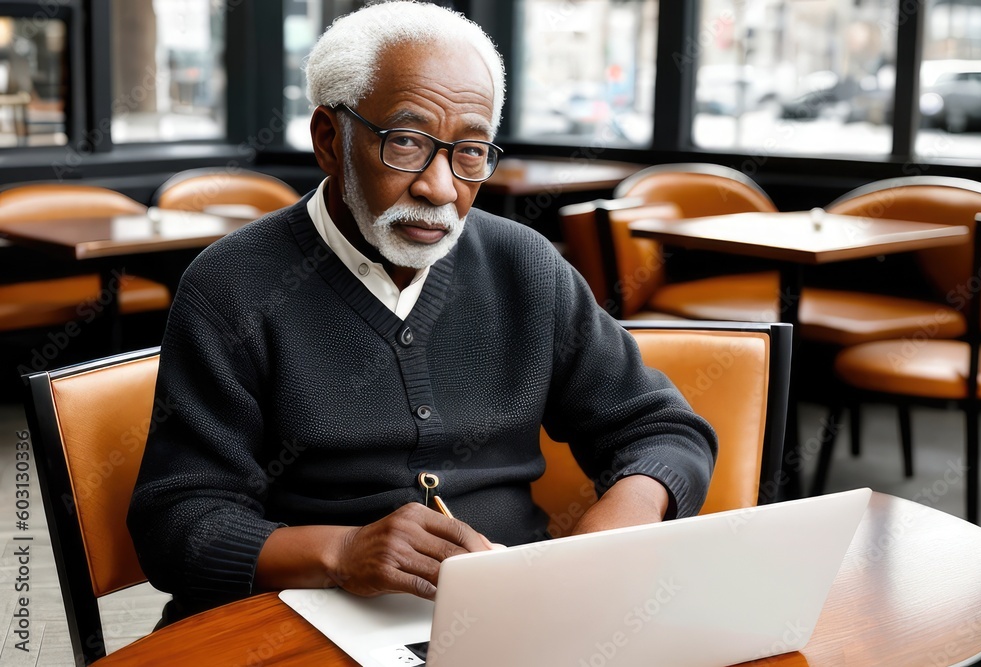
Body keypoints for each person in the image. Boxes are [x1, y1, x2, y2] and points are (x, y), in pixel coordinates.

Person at [127, 0, 717, 620]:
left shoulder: (527, 266)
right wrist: (340, 551)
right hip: (301, 616)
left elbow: (662, 429)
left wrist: (619, 523)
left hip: (513, 614)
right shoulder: (232, 286)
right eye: (406, 143)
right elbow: (176, 522)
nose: (440, 188)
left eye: (470, 151)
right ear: (330, 140)